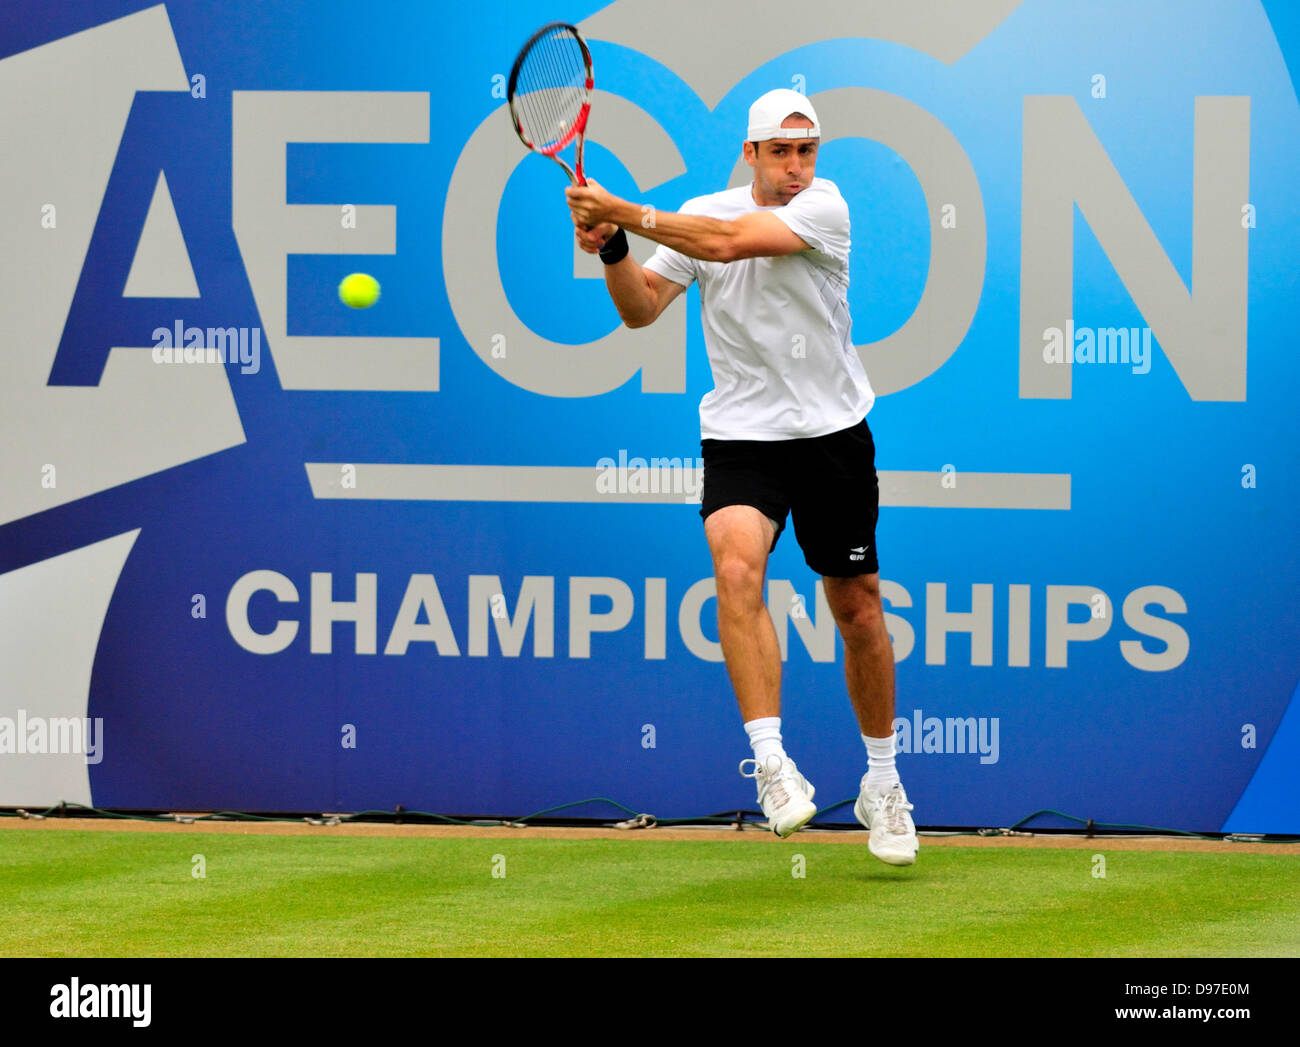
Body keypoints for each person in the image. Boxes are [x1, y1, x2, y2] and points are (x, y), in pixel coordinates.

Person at [565, 89, 917, 865]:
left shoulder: (824, 209)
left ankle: (883, 783)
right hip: (742, 435)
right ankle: (771, 761)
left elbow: (725, 244)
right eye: (781, 152)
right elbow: (641, 309)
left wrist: (622, 212)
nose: (796, 167)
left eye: (807, 151)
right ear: (750, 153)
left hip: (832, 434)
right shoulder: (702, 211)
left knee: (857, 611)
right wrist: (614, 250)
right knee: (734, 566)